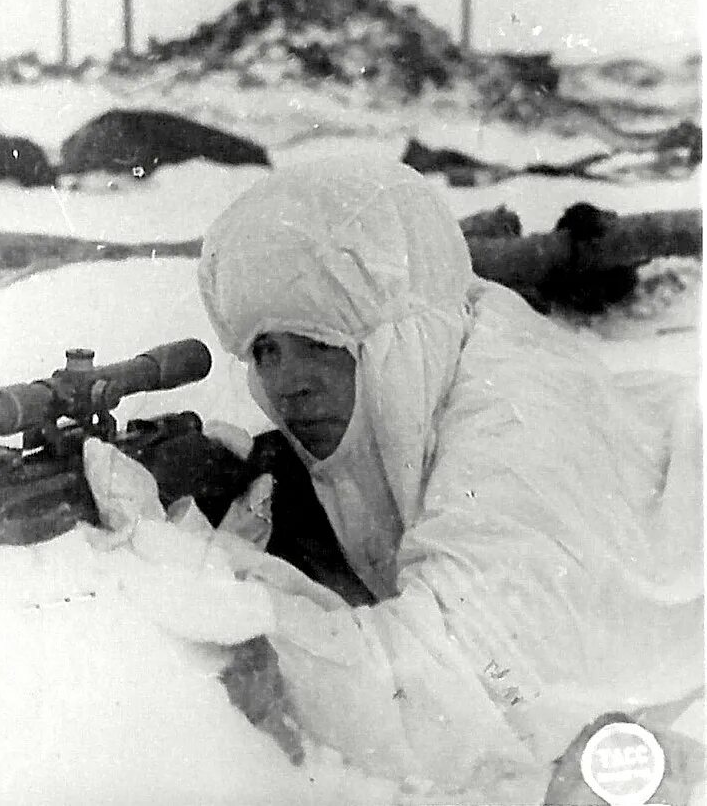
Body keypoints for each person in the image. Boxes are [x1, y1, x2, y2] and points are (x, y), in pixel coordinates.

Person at [191, 154, 704, 795]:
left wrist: (199, 587)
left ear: (402, 337)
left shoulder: (514, 425)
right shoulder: (442, 359)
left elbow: (436, 697)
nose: (286, 383)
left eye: (321, 344)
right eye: (265, 350)